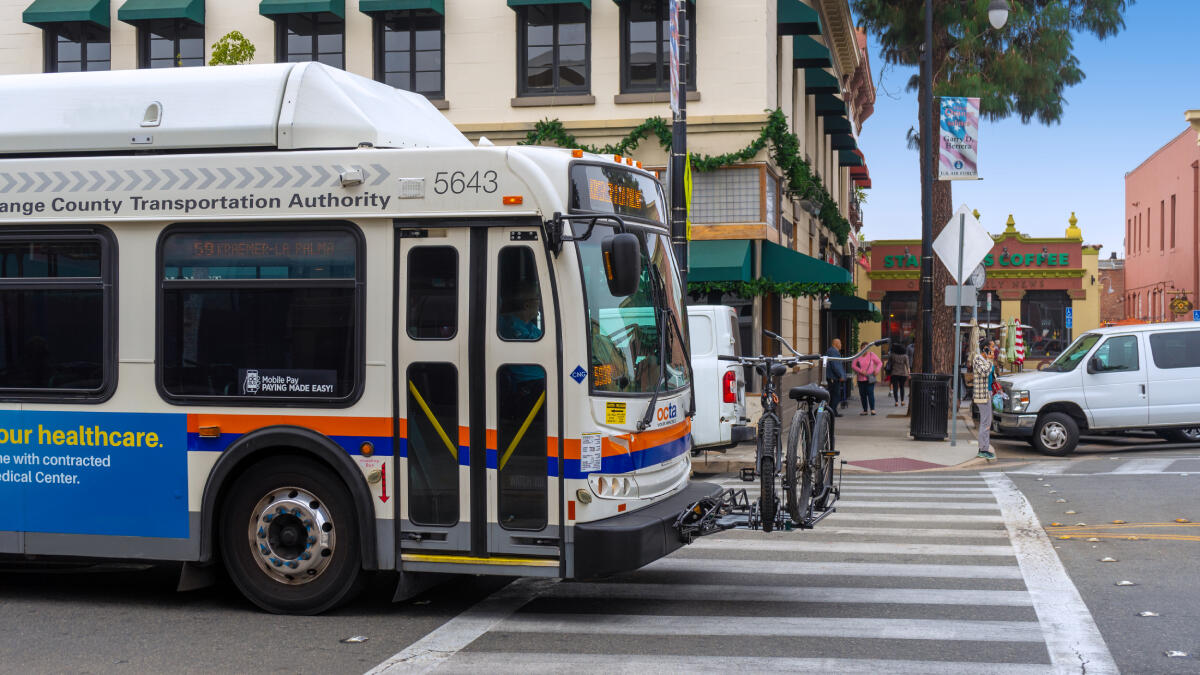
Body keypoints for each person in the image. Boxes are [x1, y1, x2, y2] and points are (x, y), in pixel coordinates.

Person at [973, 340, 997, 461]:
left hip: (988, 394)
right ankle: (983, 449)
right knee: (985, 423)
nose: (993, 349)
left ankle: (984, 448)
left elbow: (992, 376)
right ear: (985, 348)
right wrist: (990, 360)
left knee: (987, 422)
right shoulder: (978, 359)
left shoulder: (986, 360)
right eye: (991, 347)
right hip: (981, 396)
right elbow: (985, 373)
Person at [852, 341, 883, 415]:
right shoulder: (857, 356)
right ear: (861, 348)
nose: (865, 349)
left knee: (870, 393)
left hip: (870, 378)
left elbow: (879, 363)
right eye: (864, 347)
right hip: (860, 379)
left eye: (867, 347)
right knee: (862, 395)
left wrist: (877, 370)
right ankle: (865, 410)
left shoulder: (871, 355)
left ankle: (872, 409)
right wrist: (860, 371)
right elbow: (853, 366)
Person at [825, 338, 845, 417]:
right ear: (835, 344)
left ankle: (833, 411)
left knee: (833, 395)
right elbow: (835, 365)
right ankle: (832, 412)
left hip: (832, 377)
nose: (841, 345)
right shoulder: (833, 351)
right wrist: (841, 375)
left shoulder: (832, 351)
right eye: (840, 343)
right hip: (833, 377)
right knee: (835, 395)